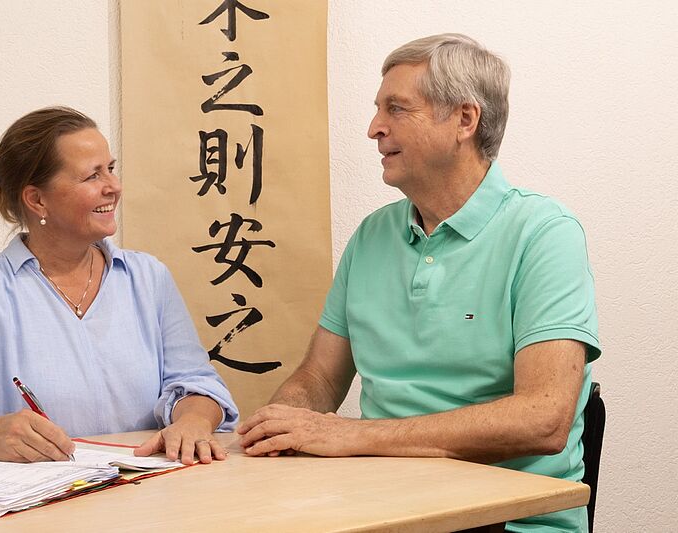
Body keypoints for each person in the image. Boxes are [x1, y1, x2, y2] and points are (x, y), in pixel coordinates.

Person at [238, 34, 600, 532]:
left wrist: (352, 436)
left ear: (465, 120)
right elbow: (319, 378)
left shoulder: (544, 233)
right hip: (382, 509)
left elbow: (543, 418)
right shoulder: (372, 235)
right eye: (377, 109)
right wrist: (280, 426)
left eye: (396, 108)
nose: (374, 128)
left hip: (509, 521)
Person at [0, 106, 238, 466]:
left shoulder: (148, 277)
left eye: (111, 169)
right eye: (92, 176)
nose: (114, 187)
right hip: (40, 497)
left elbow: (197, 383)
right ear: (37, 199)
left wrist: (194, 421)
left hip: (149, 490)